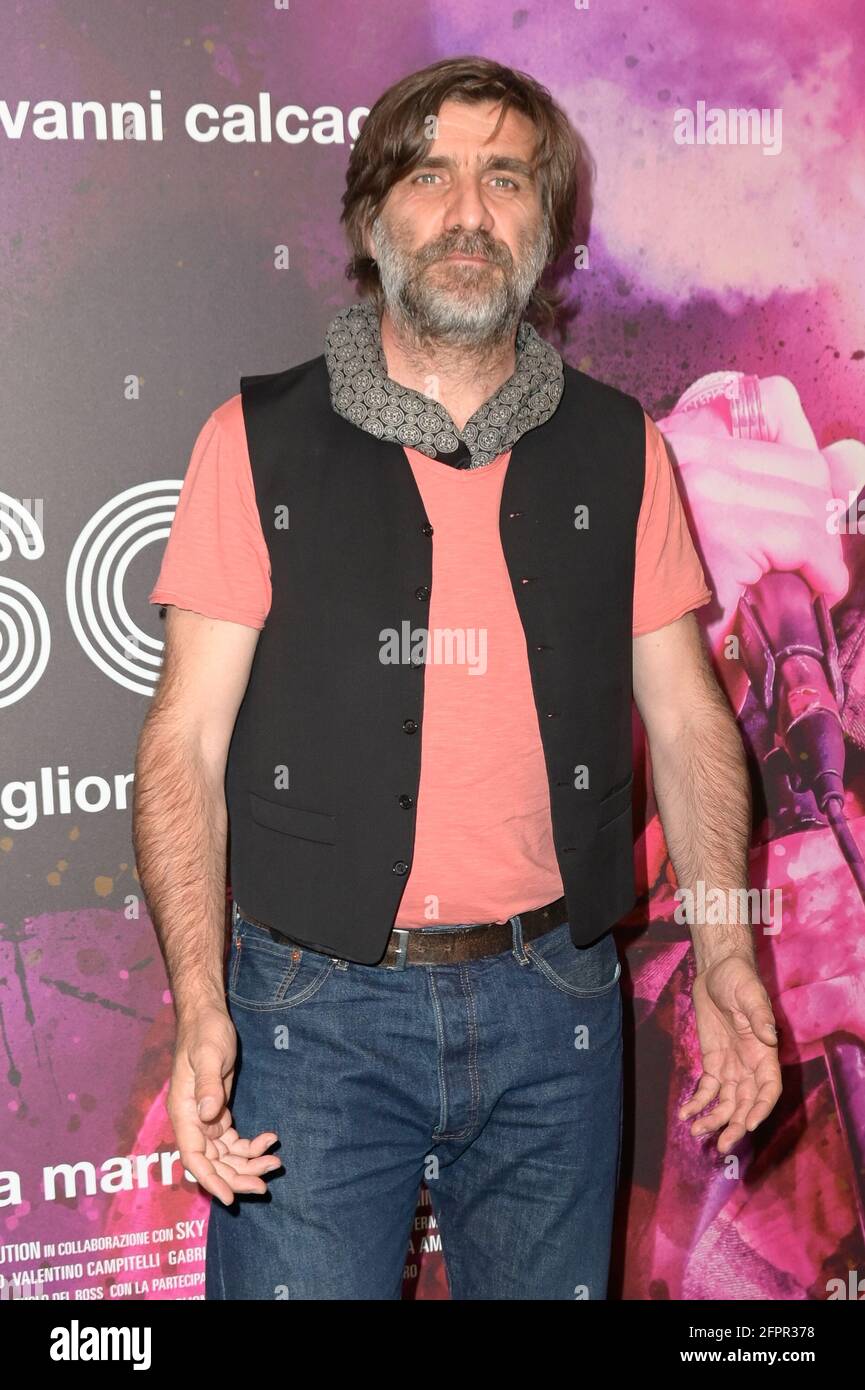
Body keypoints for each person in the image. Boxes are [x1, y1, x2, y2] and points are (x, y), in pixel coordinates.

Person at [132, 55, 782, 1301]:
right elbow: (186, 747)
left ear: (548, 226)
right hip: (309, 1007)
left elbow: (691, 717)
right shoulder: (254, 439)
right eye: (431, 175)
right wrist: (200, 1002)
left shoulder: (619, 446)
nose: (470, 214)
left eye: (506, 178)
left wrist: (725, 953)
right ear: (373, 219)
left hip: (557, 1002)